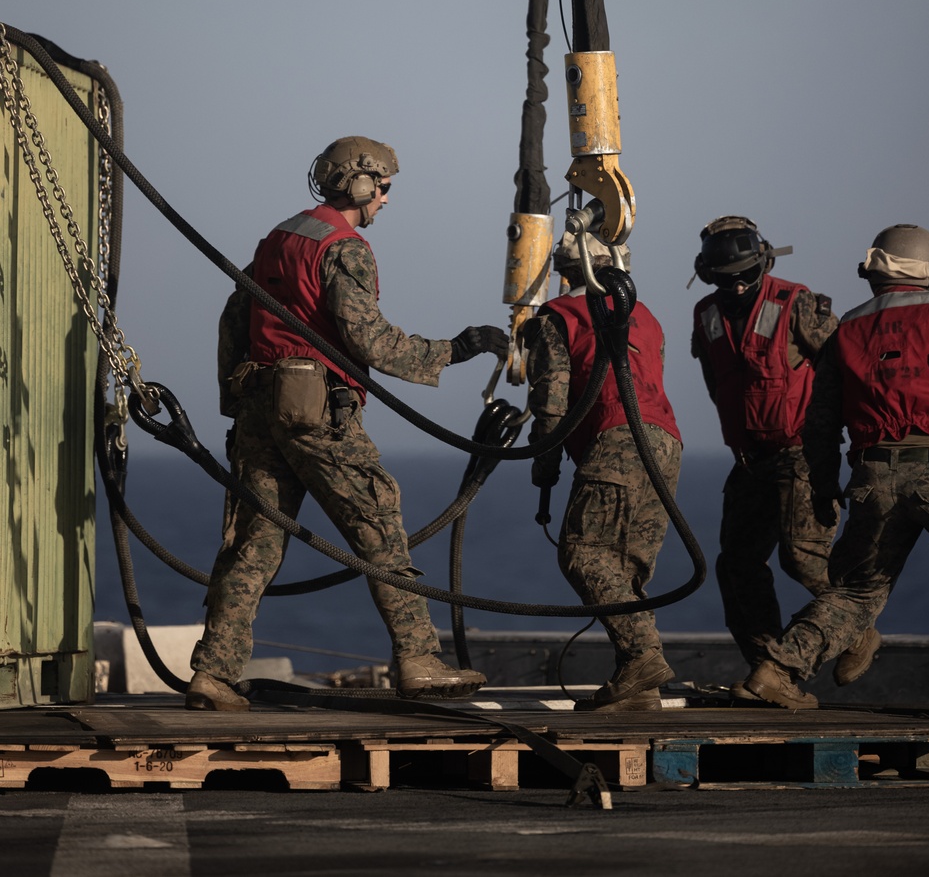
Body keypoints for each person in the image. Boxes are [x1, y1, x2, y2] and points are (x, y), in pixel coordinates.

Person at [187, 136, 507, 711]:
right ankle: (417, 660)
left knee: (253, 546)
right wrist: (454, 350)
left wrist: (234, 399)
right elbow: (368, 338)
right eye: (384, 189)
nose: (386, 200)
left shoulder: (278, 237)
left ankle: (213, 673)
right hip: (317, 410)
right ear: (362, 185)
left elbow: (234, 316)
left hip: (262, 406)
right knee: (380, 527)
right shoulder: (346, 247)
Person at [746, 224, 929, 709]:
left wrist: (824, 488)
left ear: (873, 272)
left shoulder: (846, 331)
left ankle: (777, 670)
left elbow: (819, 424)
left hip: (872, 478)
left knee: (856, 594)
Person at [690, 215, 872, 692]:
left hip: (800, 452)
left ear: (764, 261)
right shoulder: (706, 316)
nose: (738, 287)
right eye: (727, 280)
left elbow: (846, 371)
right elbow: (718, 383)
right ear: (709, 274)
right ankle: (771, 672)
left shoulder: (797, 304)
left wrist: (853, 445)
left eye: (746, 276)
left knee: (803, 558)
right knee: (737, 566)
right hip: (750, 460)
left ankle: (855, 627)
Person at [524, 231, 682, 715]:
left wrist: (545, 463)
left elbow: (552, 401)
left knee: (584, 553)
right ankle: (639, 687)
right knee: (627, 567)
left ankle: (642, 657)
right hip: (666, 442)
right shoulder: (645, 314)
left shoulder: (557, 317)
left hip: (615, 436)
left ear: (563, 270)